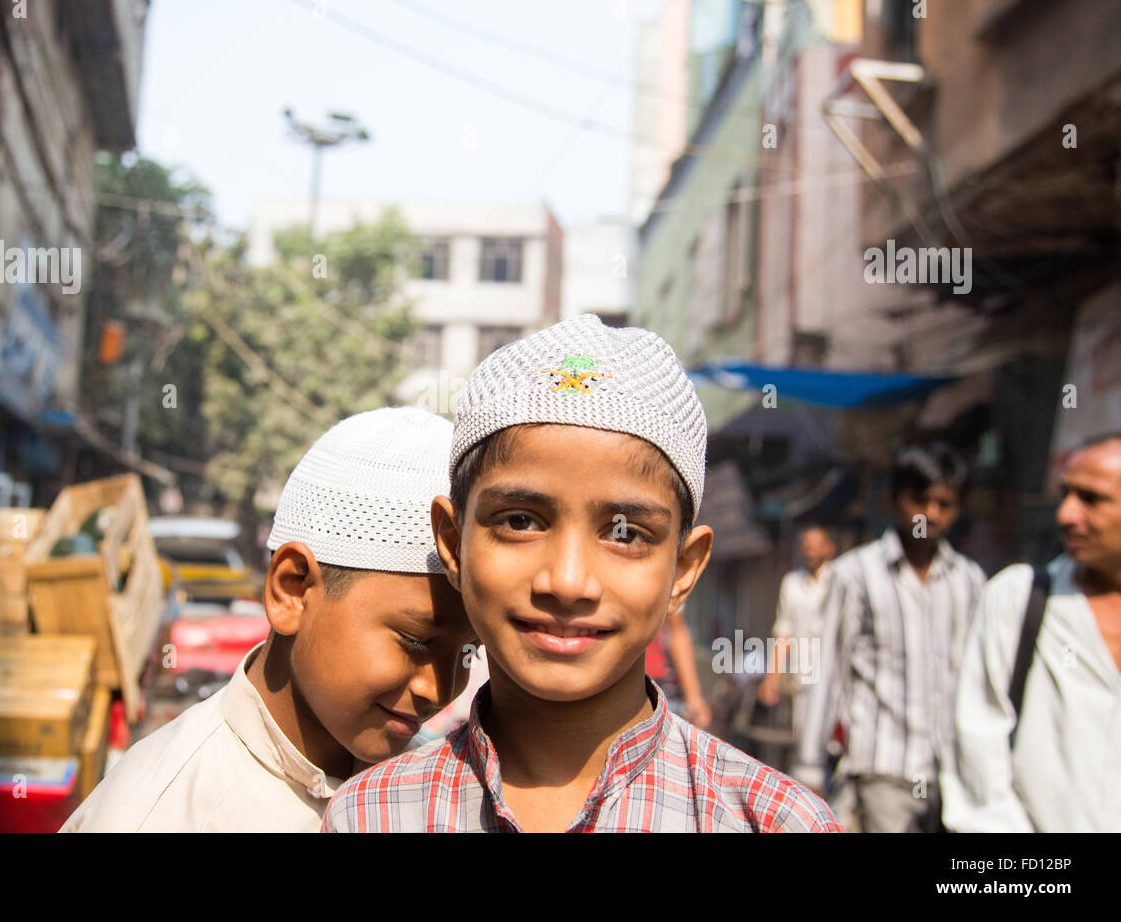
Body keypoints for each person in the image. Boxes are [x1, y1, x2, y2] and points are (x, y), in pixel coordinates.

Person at [322, 315, 840, 832]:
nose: (568, 582)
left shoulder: (773, 821)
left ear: (683, 572)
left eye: (625, 534)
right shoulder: (373, 815)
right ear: (454, 544)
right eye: (520, 521)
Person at [62, 407, 478, 832]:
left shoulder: (436, 796)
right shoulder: (158, 814)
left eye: (467, 652)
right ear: (292, 590)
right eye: (415, 640)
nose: (439, 688)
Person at [792, 442, 986, 832]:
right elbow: (827, 670)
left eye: (943, 503)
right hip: (882, 770)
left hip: (950, 776)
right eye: (920, 500)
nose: (930, 514)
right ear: (892, 500)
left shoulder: (970, 581)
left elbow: (978, 679)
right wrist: (809, 765)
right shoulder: (855, 574)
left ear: (957, 508)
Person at [940, 431, 1121, 831]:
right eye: (1067, 494)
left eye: (1091, 498)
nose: (1066, 514)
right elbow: (977, 754)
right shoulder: (1021, 598)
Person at [758, 525, 837, 764]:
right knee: (804, 752)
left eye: (815, 546)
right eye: (806, 546)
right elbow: (784, 632)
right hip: (803, 681)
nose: (810, 551)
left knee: (832, 749)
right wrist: (772, 678)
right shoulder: (792, 583)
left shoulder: (840, 581)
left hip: (835, 684)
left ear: (829, 548)